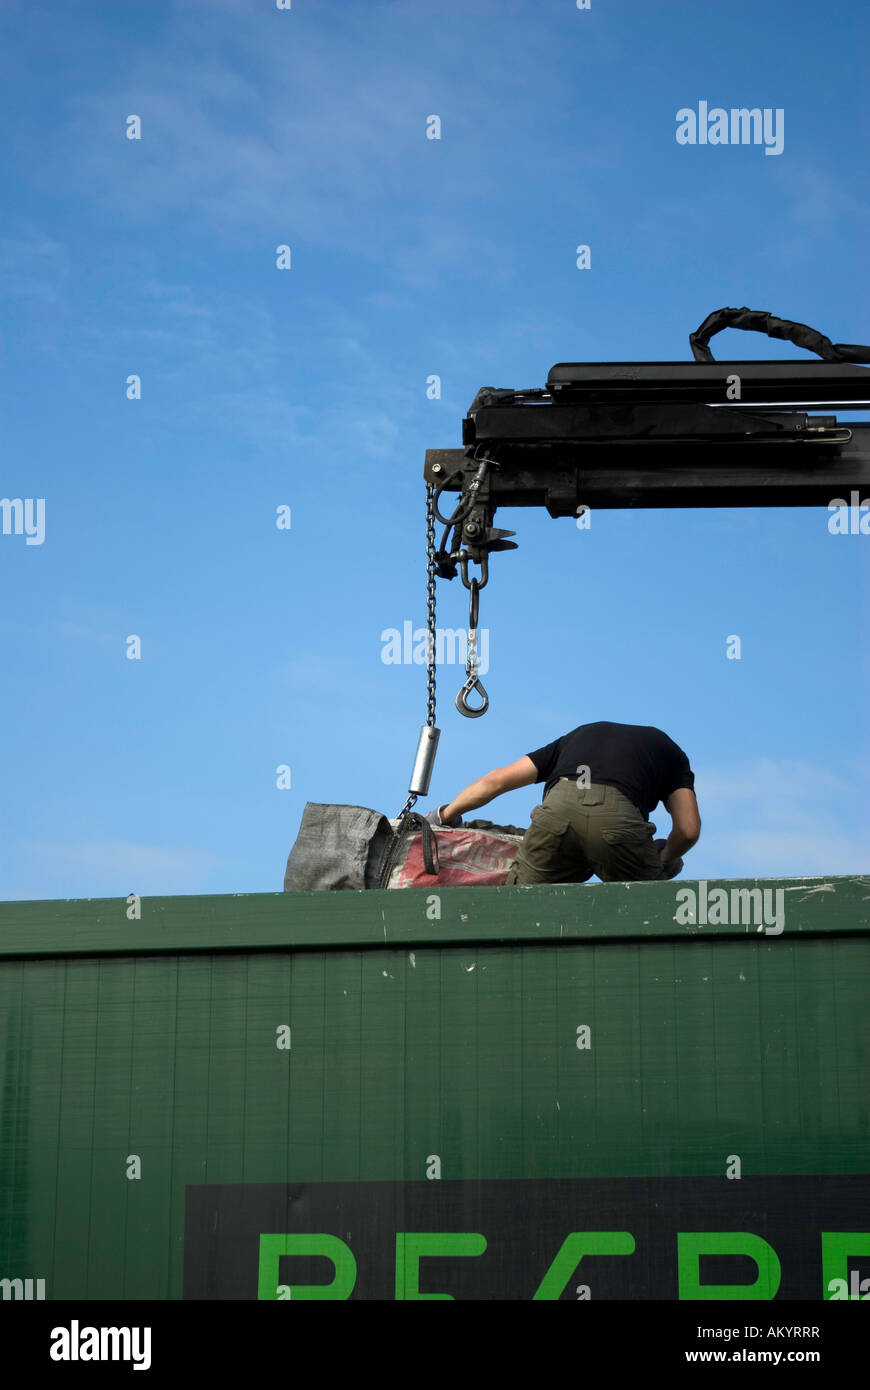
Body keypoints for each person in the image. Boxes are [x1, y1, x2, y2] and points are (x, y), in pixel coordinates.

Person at [425, 720, 700, 884]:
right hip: (618, 823)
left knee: (522, 905)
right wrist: (663, 858)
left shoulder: (575, 738)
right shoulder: (670, 751)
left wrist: (444, 815)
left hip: (556, 815)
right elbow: (688, 830)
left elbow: (496, 781)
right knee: (649, 908)